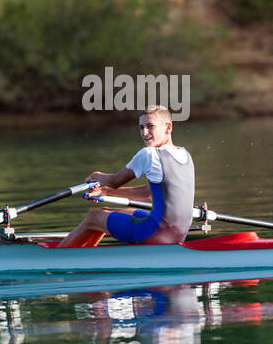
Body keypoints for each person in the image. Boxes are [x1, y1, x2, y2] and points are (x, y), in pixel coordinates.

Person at [57, 105, 195, 247]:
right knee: (116, 212)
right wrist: (107, 191)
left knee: (94, 216)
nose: (144, 132)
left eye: (150, 126)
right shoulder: (185, 155)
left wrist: (96, 175)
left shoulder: (148, 154)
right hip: (177, 234)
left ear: (168, 128)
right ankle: (86, 253)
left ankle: (59, 258)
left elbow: (115, 181)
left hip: (154, 233)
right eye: (141, 127)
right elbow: (147, 193)